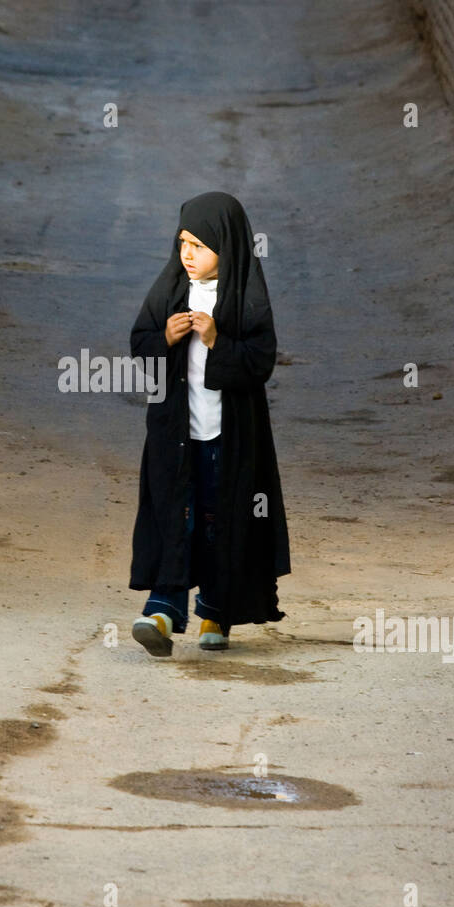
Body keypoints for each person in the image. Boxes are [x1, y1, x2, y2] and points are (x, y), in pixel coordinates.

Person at [129, 191, 290, 657]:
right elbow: (139, 342)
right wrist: (164, 337)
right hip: (176, 433)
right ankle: (163, 609)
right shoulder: (171, 289)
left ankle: (216, 612)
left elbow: (260, 361)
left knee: (221, 519)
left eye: (199, 245)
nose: (187, 254)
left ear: (228, 247)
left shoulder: (245, 298)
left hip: (229, 435)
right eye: (183, 242)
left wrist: (217, 339)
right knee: (174, 513)